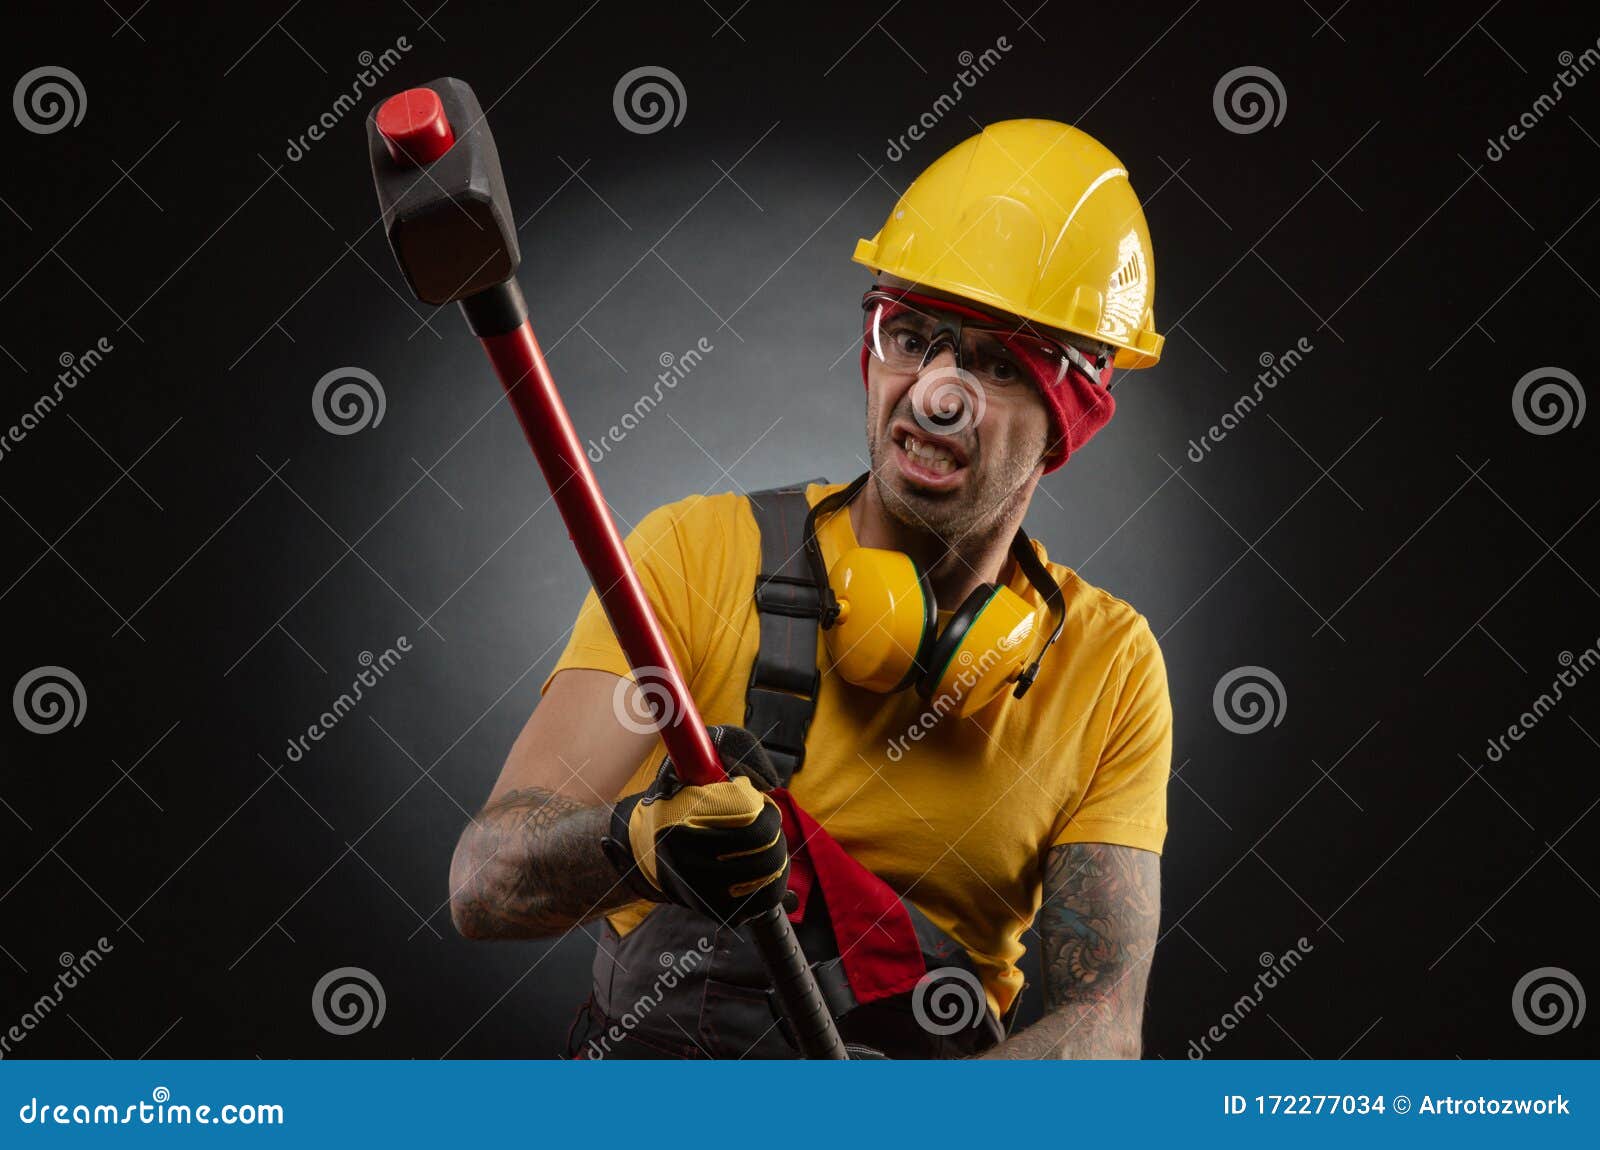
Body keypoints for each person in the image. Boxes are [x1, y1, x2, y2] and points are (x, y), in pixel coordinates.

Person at [447, 119, 1172, 1059]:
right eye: (909, 338)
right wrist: (641, 843)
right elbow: (483, 882)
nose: (934, 396)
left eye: (997, 364)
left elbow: (1105, 1026)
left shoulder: (1109, 668)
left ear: (1074, 413)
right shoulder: (698, 554)